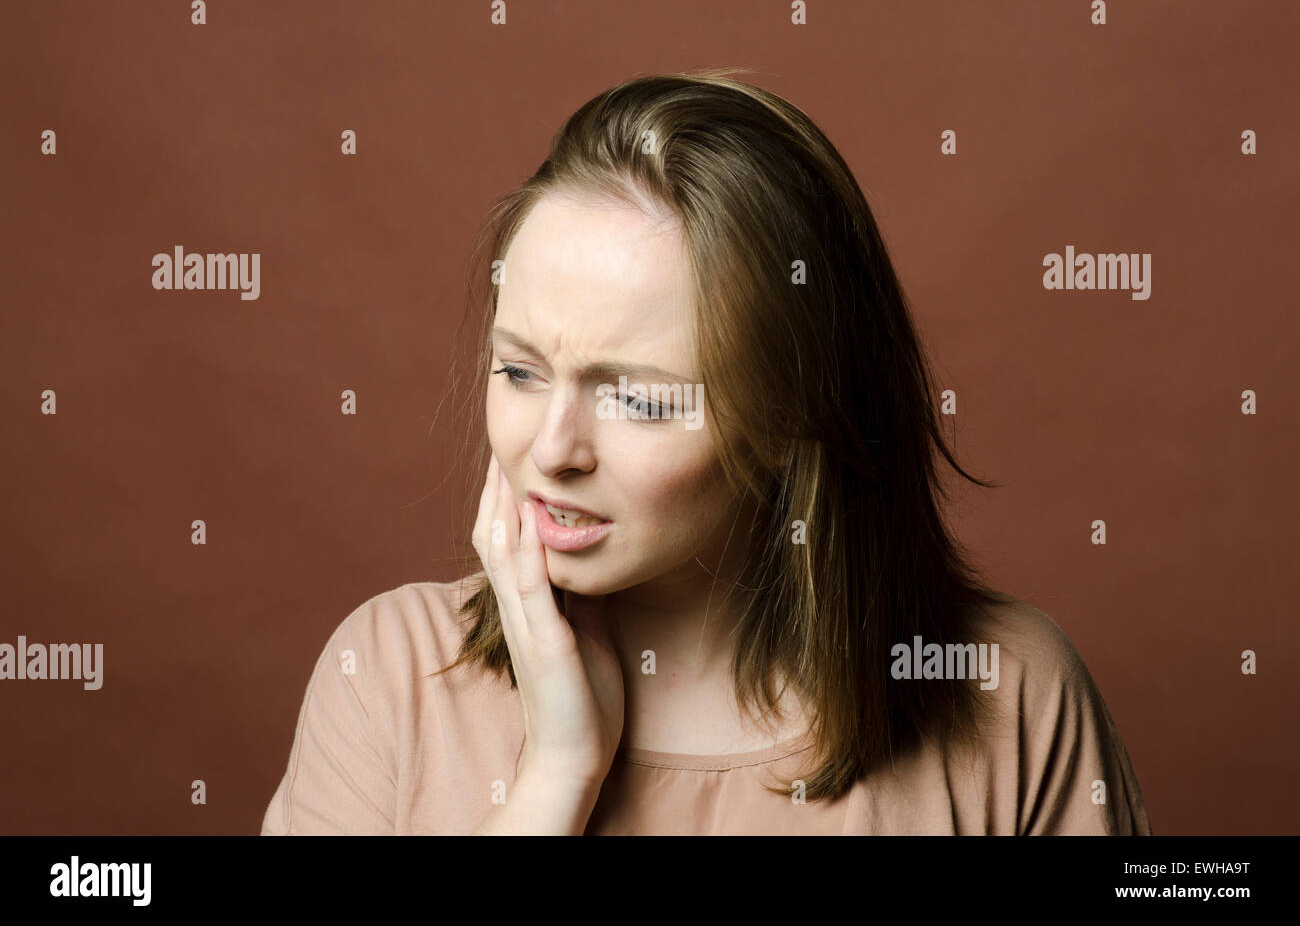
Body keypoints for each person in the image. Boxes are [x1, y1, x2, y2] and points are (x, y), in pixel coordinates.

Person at [261, 69, 1151, 835]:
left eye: (640, 398)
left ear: (792, 417)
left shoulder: (1010, 695)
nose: (553, 449)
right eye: (521, 372)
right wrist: (557, 778)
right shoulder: (389, 675)